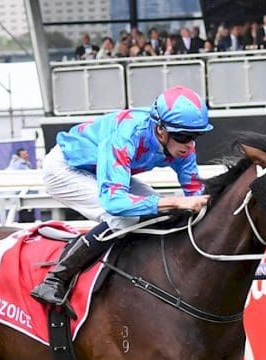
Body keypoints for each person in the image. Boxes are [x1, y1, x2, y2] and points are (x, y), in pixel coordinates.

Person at [31, 85, 212, 308]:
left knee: (162, 214)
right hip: (65, 168)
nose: (190, 145)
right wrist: (176, 201)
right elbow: (114, 202)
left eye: (195, 137)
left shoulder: (182, 147)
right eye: (183, 137)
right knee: (124, 218)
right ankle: (56, 279)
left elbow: (196, 192)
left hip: (101, 169)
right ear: (161, 130)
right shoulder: (127, 134)